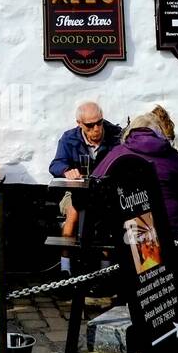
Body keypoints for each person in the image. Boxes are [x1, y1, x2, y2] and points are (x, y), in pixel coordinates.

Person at [93, 114, 178, 240]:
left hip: (124, 237)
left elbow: (94, 185)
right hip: (170, 235)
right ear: (160, 133)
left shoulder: (116, 154)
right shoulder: (171, 157)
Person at [49, 101, 122, 256]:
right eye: (90, 125)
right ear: (79, 124)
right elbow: (55, 165)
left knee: (109, 216)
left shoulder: (116, 136)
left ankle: (105, 265)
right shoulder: (69, 139)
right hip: (76, 192)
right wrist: (66, 171)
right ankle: (65, 264)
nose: (96, 129)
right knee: (74, 211)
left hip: (106, 192)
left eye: (99, 123)